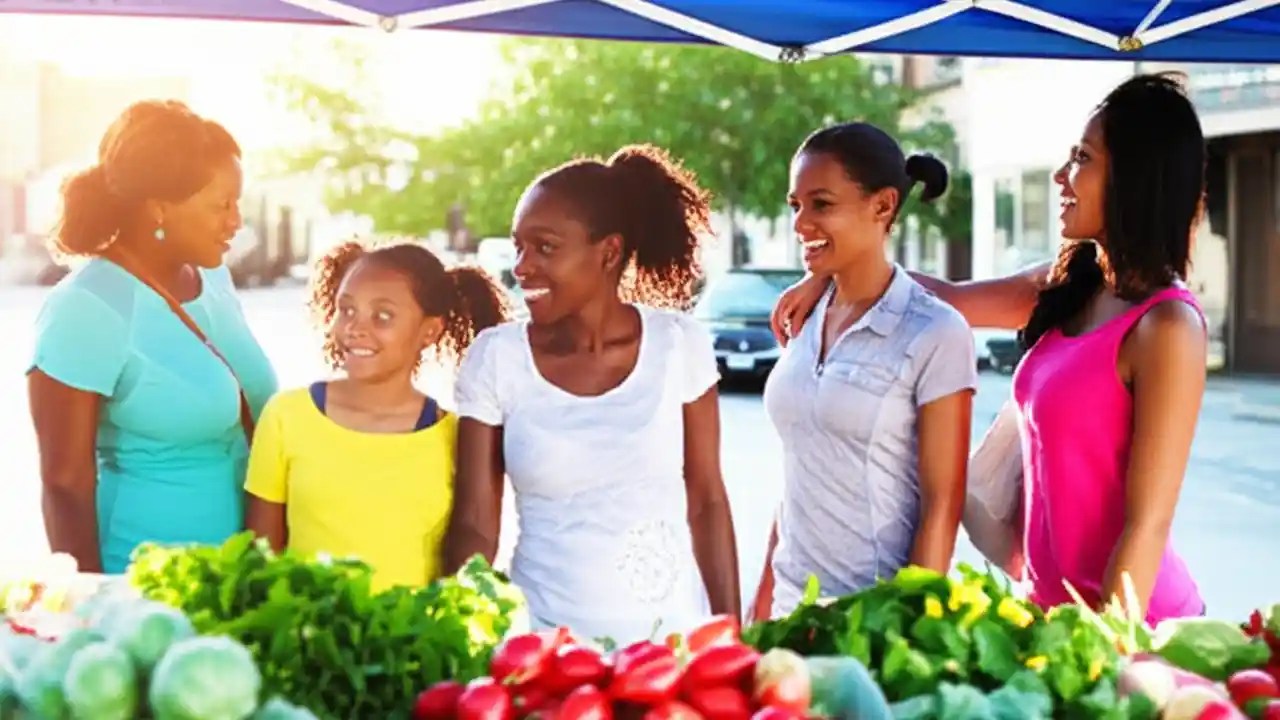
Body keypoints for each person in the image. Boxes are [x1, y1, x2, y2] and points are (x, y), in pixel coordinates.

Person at [772, 73, 1208, 623]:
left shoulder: (1168, 327)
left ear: (1135, 178)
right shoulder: (1072, 283)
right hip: (1053, 615)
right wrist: (830, 275)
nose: (1060, 176)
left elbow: (1147, 525)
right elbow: (945, 297)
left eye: (1082, 158)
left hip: (1132, 627)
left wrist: (1107, 652)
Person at [444, 144, 740, 643]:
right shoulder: (496, 359)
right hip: (545, 647)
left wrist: (732, 633)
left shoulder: (678, 345)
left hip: (672, 646)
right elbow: (475, 522)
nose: (522, 266)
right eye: (518, 247)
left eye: (545, 247)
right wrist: (455, 627)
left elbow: (708, 499)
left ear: (607, 252)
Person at [27, 100, 277, 574]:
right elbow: (65, 484)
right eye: (222, 204)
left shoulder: (214, 279)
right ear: (159, 207)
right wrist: (93, 605)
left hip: (239, 577)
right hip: (143, 587)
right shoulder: (89, 306)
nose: (236, 221)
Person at [751, 123, 976, 621]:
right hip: (791, 610)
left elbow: (942, 506)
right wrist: (760, 609)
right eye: (796, 206)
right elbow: (799, 475)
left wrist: (912, 630)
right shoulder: (804, 315)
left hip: (873, 618)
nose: (801, 224)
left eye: (822, 204)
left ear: (883, 206)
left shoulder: (935, 331)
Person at [243, 241, 508, 591]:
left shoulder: (454, 438)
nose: (355, 327)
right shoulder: (286, 416)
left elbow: (465, 562)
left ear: (430, 331)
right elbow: (262, 558)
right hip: (304, 636)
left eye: (382, 315)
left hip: (407, 640)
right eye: (347, 309)